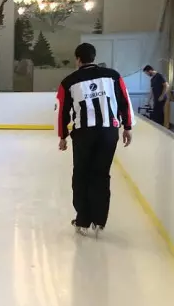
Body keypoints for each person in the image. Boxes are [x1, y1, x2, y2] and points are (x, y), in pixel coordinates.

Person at [56, 43, 134, 237]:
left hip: (84, 134)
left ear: (78, 59)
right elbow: (125, 100)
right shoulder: (113, 75)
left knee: (82, 174)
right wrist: (128, 127)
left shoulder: (69, 81)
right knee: (101, 174)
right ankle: (99, 221)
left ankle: (83, 220)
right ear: (94, 57)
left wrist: (62, 136)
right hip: (109, 132)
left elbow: (62, 111)